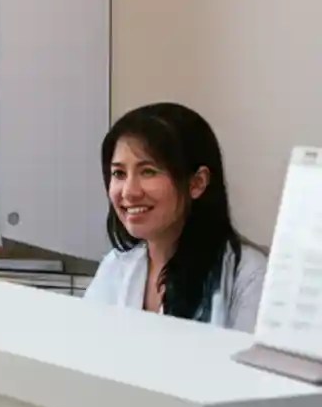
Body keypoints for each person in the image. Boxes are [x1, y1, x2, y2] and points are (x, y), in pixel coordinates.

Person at [83, 102, 267, 332]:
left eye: (148, 171)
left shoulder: (249, 276)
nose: (129, 192)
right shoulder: (116, 265)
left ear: (197, 183)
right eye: (119, 173)